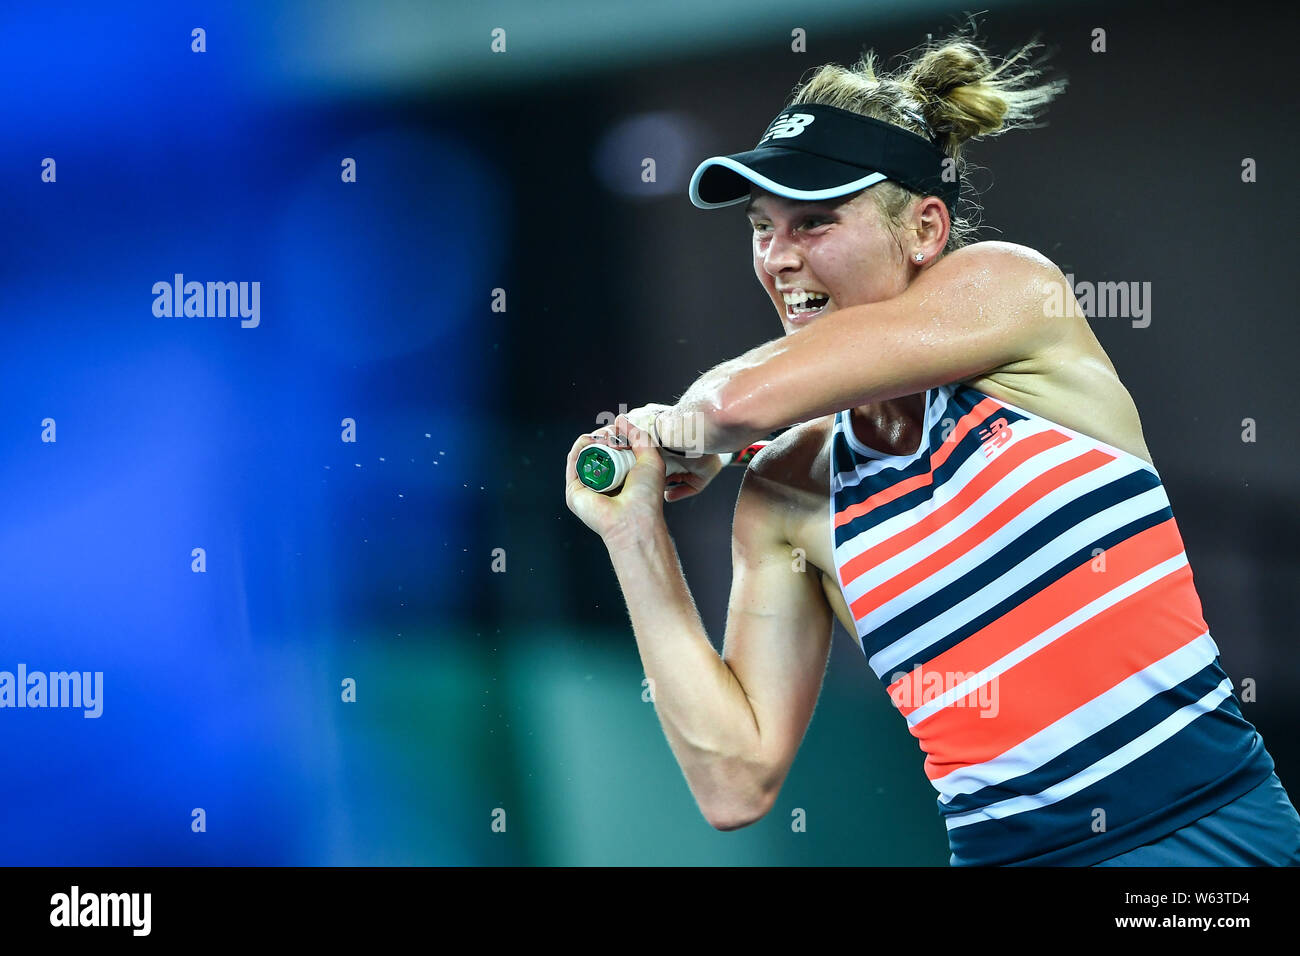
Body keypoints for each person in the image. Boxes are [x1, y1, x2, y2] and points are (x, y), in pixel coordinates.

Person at [564, 27, 1300, 865]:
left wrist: (689, 429)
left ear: (924, 228)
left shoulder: (1011, 293)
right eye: (762, 227)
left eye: (814, 222)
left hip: (1213, 839)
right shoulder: (789, 490)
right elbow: (734, 782)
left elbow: (733, 403)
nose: (777, 258)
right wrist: (633, 532)